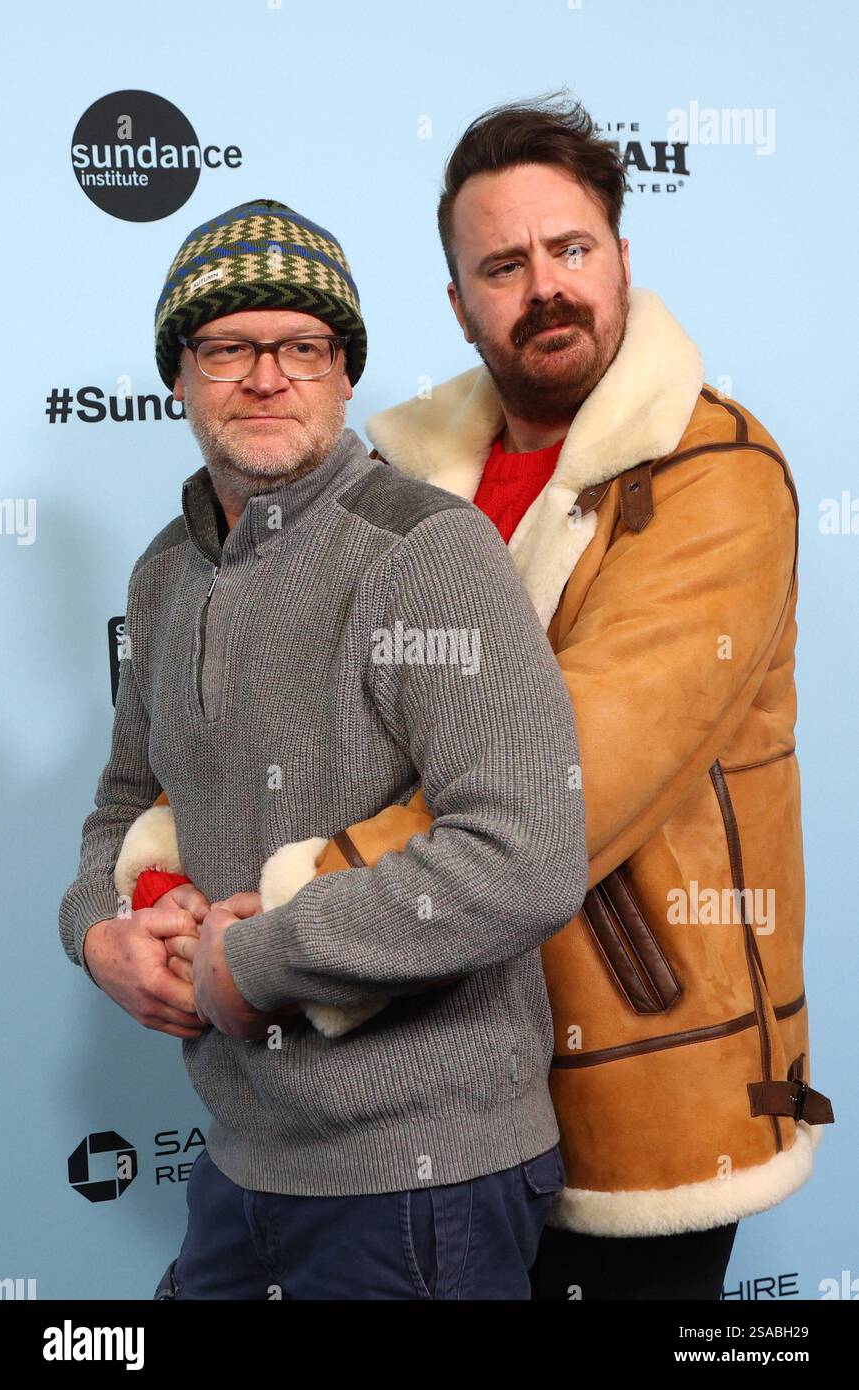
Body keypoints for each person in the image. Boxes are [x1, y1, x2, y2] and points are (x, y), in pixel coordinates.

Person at [133, 100, 836, 1301]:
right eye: (501, 266)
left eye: (570, 250)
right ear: (456, 304)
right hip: (430, 1049)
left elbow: (566, 777)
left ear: (621, 260)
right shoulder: (395, 493)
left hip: (634, 1061)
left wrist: (274, 924)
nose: (544, 289)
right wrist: (152, 891)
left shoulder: (713, 481)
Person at [58, 197, 591, 1301]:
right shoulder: (164, 574)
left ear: (345, 374)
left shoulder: (425, 551)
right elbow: (121, 799)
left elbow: (526, 853)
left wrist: (258, 961)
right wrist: (99, 932)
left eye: (301, 346)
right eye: (227, 349)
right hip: (242, 1160)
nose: (266, 376)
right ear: (179, 377)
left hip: (421, 1184)